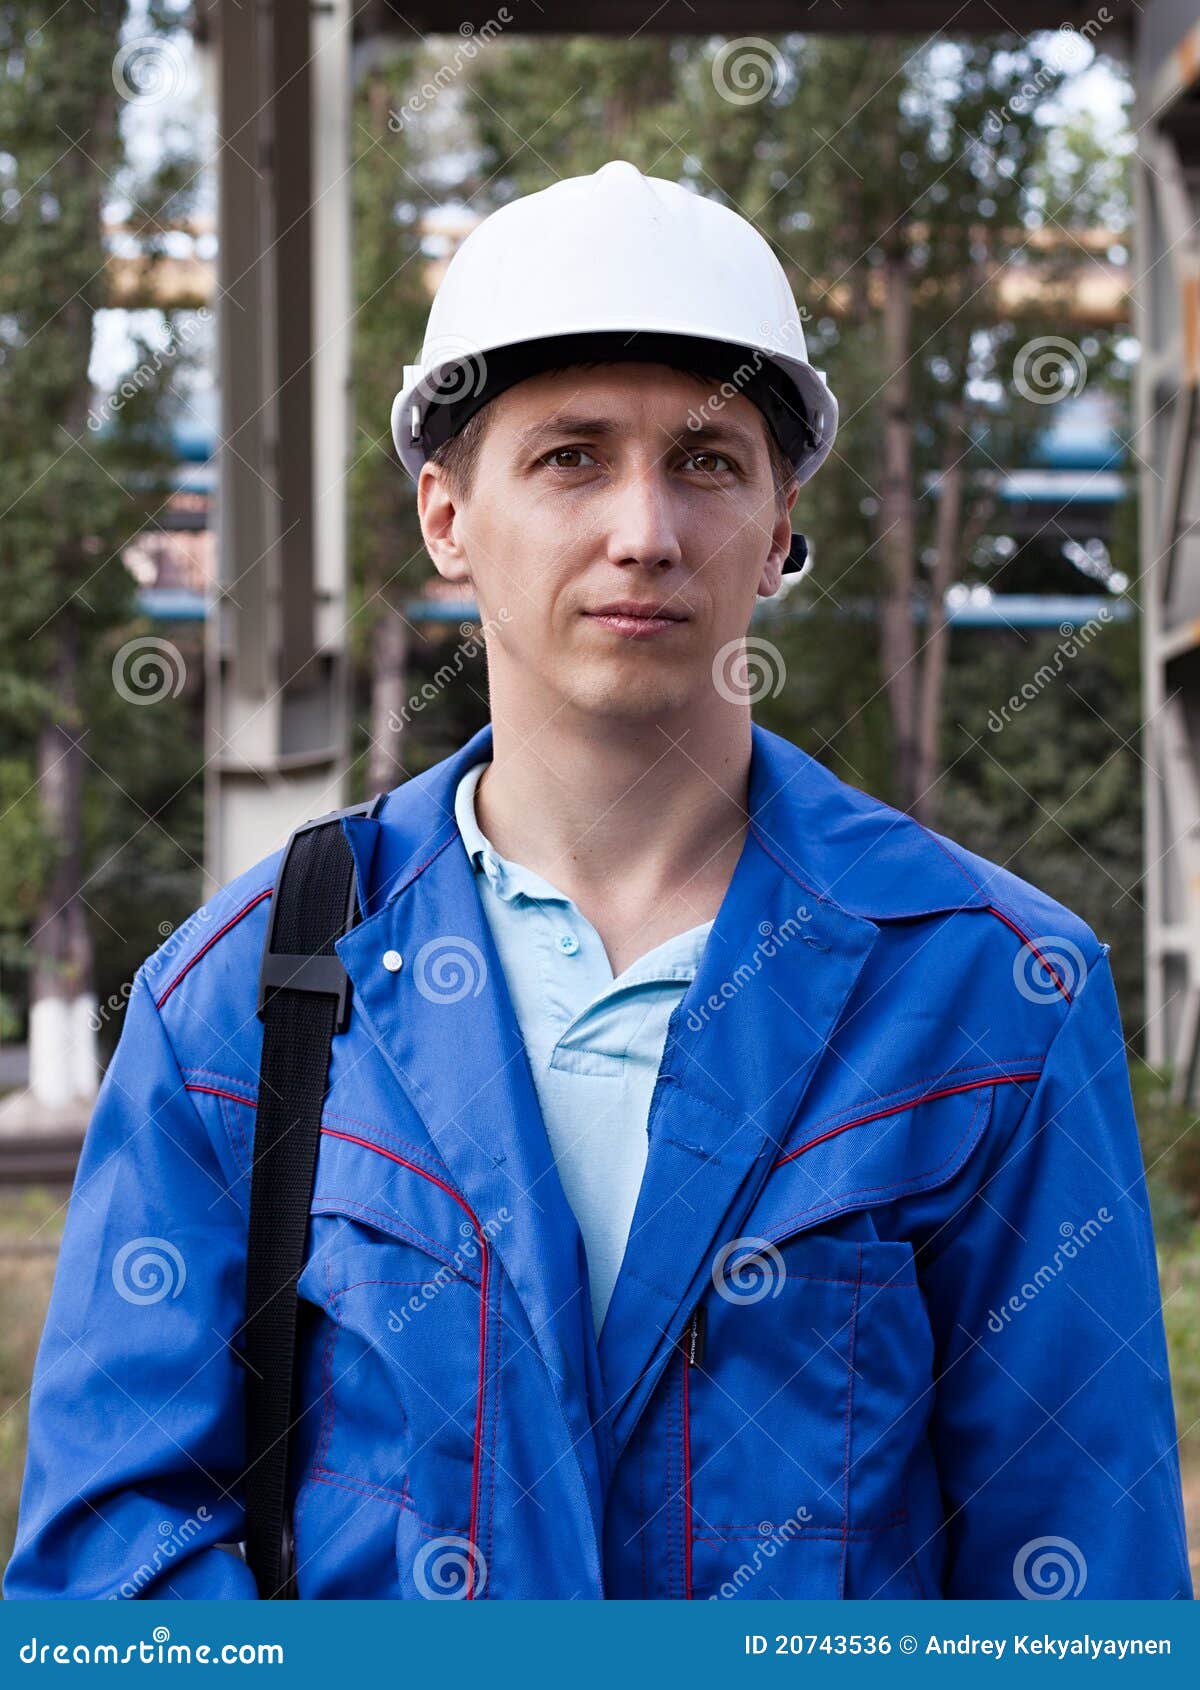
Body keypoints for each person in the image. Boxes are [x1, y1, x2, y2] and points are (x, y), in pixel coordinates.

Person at [5, 161, 1192, 1602]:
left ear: (777, 527)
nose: (644, 529)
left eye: (706, 462)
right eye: (570, 456)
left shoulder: (989, 990)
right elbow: (112, 1573)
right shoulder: (242, 1008)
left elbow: (1084, 1577)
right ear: (447, 516)